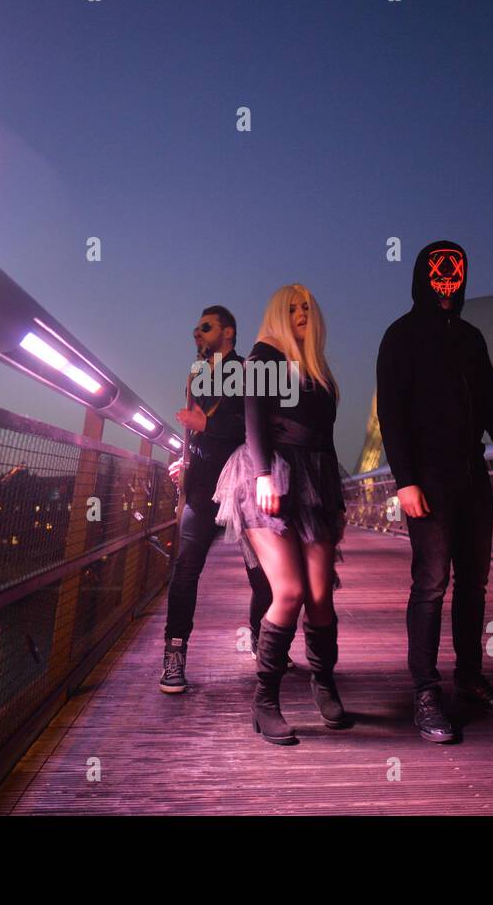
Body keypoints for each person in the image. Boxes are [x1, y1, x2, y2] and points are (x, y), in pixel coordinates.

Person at [376, 240, 493, 743]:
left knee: (474, 585)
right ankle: (425, 690)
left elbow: (491, 398)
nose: (448, 282)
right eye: (440, 273)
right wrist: (406, 481)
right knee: (431, 585)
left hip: (471, 476)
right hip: (429, 479)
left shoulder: (471, 336)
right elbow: (392, 417)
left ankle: (470, 679)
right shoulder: (399, 337)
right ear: (423, 275)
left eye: (456, 273)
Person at [214, 284, 347, 745]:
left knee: (320, 593)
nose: (300, 313)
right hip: (266, 474)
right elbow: (253, 416)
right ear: (277, 314)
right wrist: (267, 473)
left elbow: (326, 440)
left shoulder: (318, 370)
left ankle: (323, 683)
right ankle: (265, 701)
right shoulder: (264, 355)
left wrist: (338, 502)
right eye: (291, 308)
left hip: (316, 480)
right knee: (288, 591)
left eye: (306, 306)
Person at [160, 306, 276, 694]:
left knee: (261, 573)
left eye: (205, 327)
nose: (197, 333)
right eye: (195, 328)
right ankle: (174, 654)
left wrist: (207, 424)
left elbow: (258, 425)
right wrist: (182, 460)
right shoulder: (195, 376)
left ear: (228, 332)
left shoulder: (249, 371)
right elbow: (190, 432)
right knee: (185, 569)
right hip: (202, 487)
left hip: (242, 487)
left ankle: (263, 639)